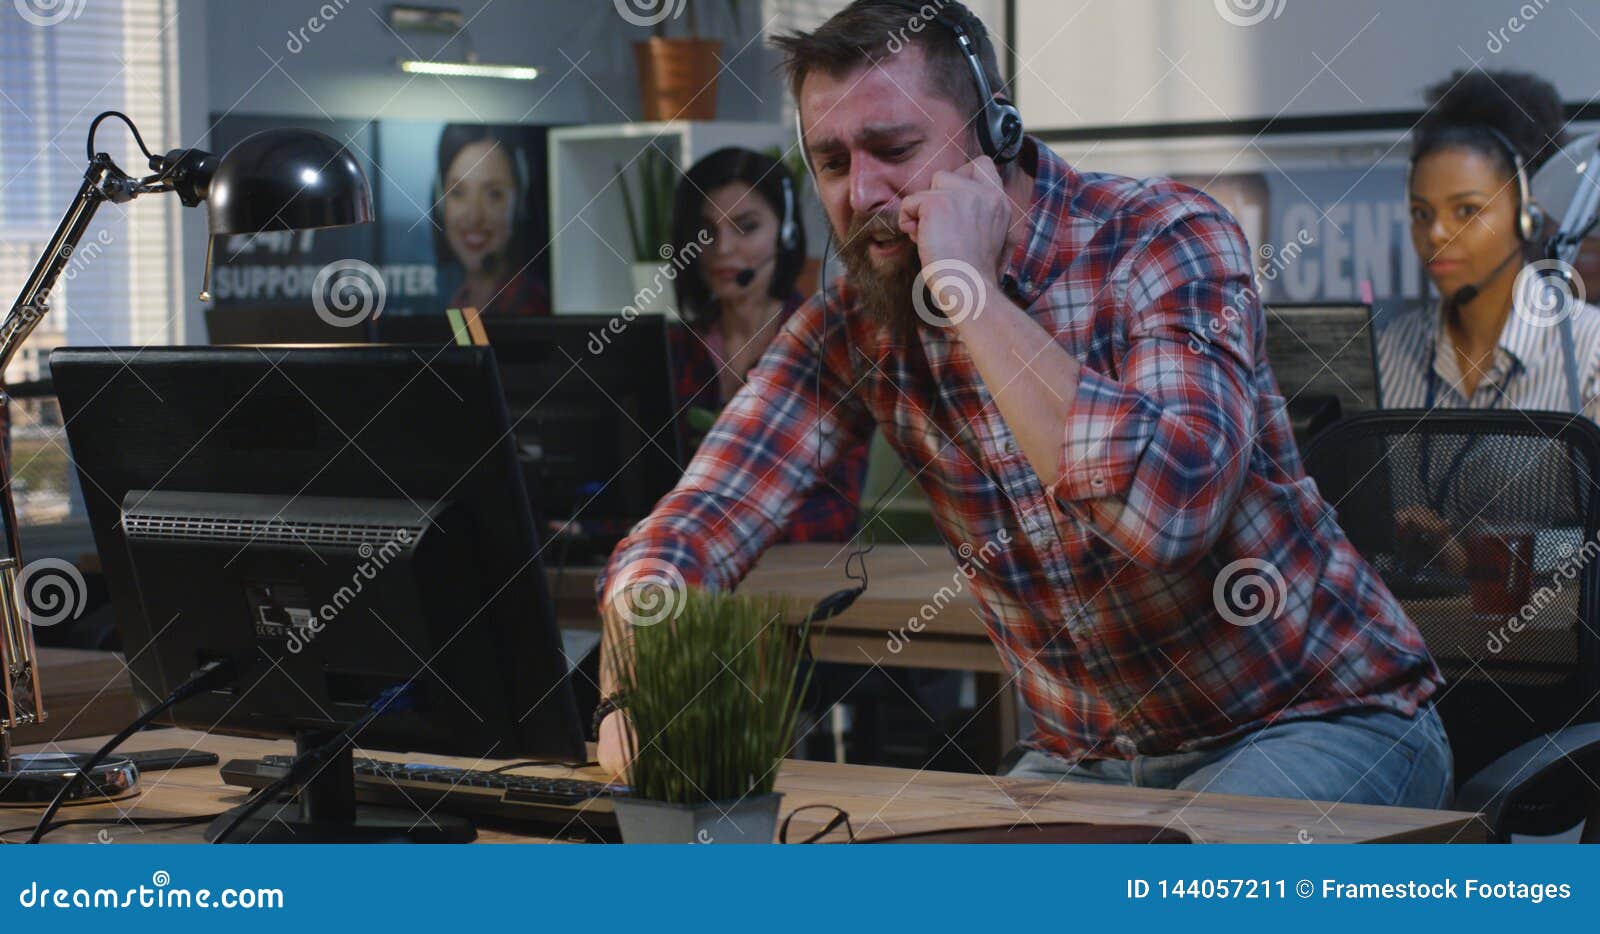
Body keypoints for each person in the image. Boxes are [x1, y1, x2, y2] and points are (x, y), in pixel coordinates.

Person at [595, 0, 1449, 808]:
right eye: (833, 162)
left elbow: (1170, 515)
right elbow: (704, 515)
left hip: (1318, 720)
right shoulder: (854, 322)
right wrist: (631, 684)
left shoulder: (1164, 236)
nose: (862, 195)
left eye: (893, 148)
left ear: (996, 132)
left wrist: (971, 290)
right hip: (1085, 762)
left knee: (1167, 883)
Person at [1378, 70, 1599, 575]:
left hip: (1549, 626)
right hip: (1408, 623)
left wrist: (1479, 561)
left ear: (1527, 216)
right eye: (1421, 213)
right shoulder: (1387, 350)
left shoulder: (1586, 353)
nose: (1437, 233)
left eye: (1467, 210)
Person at [668, 147, 865, 542]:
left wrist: (724, 532)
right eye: (707, 232)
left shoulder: (826, 346)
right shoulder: (674, 349)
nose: (723, 249)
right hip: (682, 562)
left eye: (746, 227)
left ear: (785, 233)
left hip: (792, 567)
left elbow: (838, 509)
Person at [432, 124, 551, 317]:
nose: (474, 217)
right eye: (458, 192)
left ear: (519, 203)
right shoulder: (459, 302)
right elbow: (472, 339)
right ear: (441, 200)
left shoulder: (533, 306)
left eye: (494, 194)